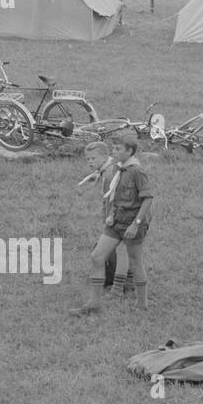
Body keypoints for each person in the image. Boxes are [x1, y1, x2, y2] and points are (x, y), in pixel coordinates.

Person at [72, 130, 153, 316]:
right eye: (114, 148)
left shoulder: (137, 172)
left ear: (130, 151)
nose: (114, 152)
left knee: (135, 261)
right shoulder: (117, 169)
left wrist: (136, 224)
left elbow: (148, 199)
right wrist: (110, 216)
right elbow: (114, 195)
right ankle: (94, 304)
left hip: (132, 223)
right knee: (97, 256)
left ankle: (142, 305)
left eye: (118, 149)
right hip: (115, 222)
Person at [82, 141, 127, 294]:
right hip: (120, 215)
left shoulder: (108, 175)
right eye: (88, 159)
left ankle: (115, 282)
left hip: (119, 217)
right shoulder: (109, 168)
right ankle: (118, 280)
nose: (90, 162)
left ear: (104, 157)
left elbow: (112, 200)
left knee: (108, 250)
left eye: (93, 158)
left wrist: (109, 219)